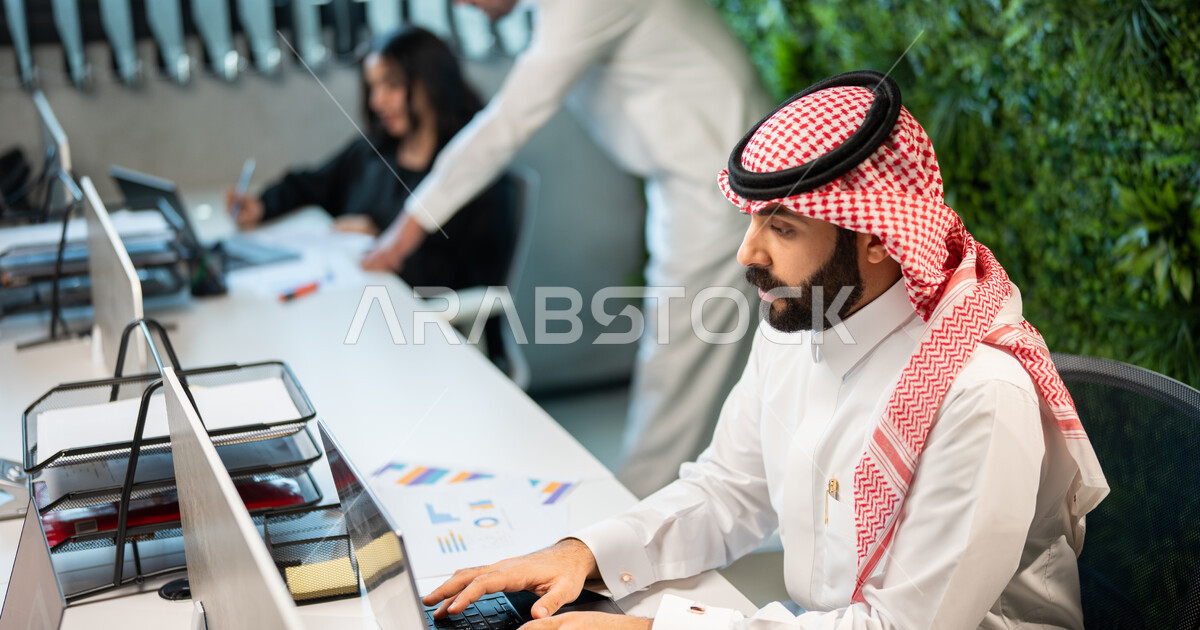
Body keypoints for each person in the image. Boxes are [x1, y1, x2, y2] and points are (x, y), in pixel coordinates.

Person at [418, 72, 1110, 629]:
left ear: (874, 238)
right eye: (753, 222)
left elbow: (900, 627)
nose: (748, 254)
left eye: (780, 227)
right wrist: (582, 555)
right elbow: (728, 491)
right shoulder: (801, 320)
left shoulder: (979, 395)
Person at [359, 0, 774, 498]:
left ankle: (631, 526)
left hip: (721, 177)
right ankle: (662, 511)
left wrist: (403, 233)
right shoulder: (552, 13)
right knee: (701, 350)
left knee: (677, 361)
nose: (463, 4)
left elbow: (507, 123)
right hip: (691, 176)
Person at [227, 26, 514, 292]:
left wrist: (379, 241)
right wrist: (263, 204)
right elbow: (312, 183)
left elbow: (466, 278)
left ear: (430, 81)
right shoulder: (372, 152)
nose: (377, 101)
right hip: (356, 295)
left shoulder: (472, 169)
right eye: (373, 87)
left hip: (418, 322)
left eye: (392, 86)